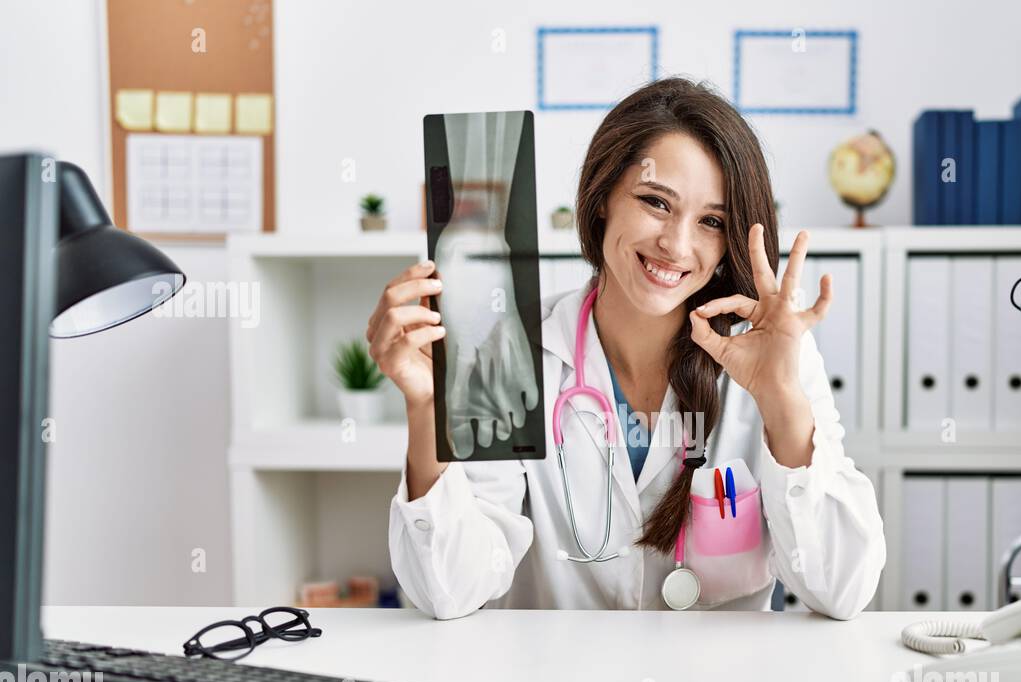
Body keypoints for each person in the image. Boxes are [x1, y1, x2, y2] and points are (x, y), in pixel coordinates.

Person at [367, 76, 885, 619]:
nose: (677, 244)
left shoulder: (775, 356)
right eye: (655, 202)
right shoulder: (513, 351)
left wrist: (781, 399)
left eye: (712, 221)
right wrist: (429, 410)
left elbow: (843, 590)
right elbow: (448, 590)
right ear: (600, 201)